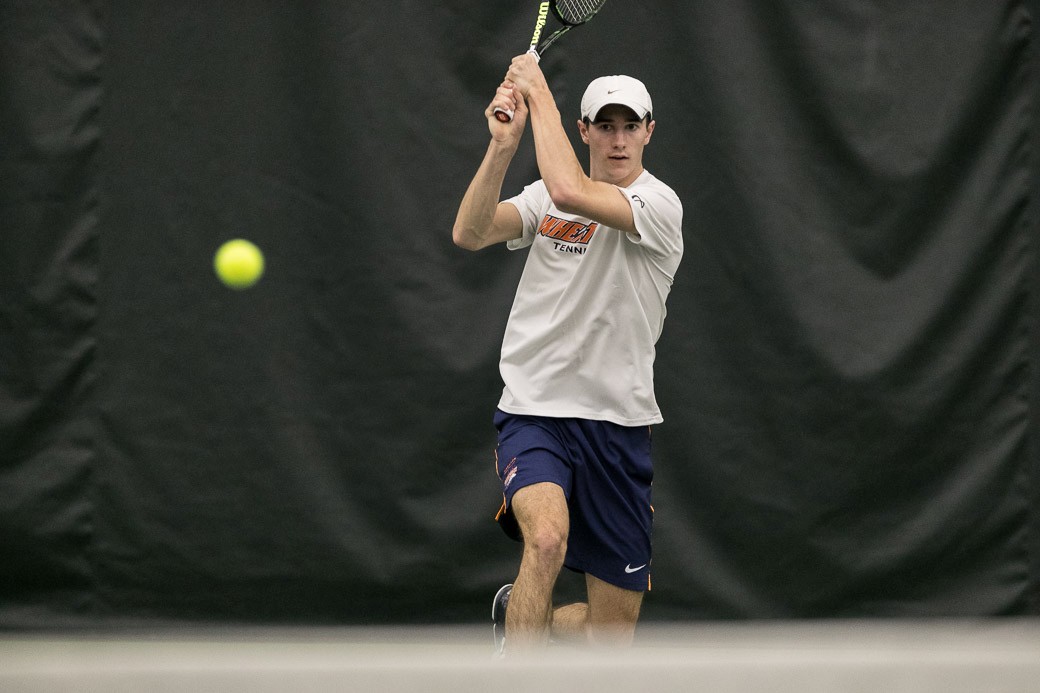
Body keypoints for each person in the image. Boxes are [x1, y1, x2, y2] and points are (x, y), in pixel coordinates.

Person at [452, 53, 683, 655]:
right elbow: (471, 232)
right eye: (604, 126)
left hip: (619, 428)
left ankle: (523, 620)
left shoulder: (660, 207)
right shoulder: (547, 200)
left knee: (611, 639)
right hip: (536, 410)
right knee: (547, 540)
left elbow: (570, 189)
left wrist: (536, 89)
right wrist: (502, 147)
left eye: (630, 126)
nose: (618, 139)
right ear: (583, 132)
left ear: (649, 131)